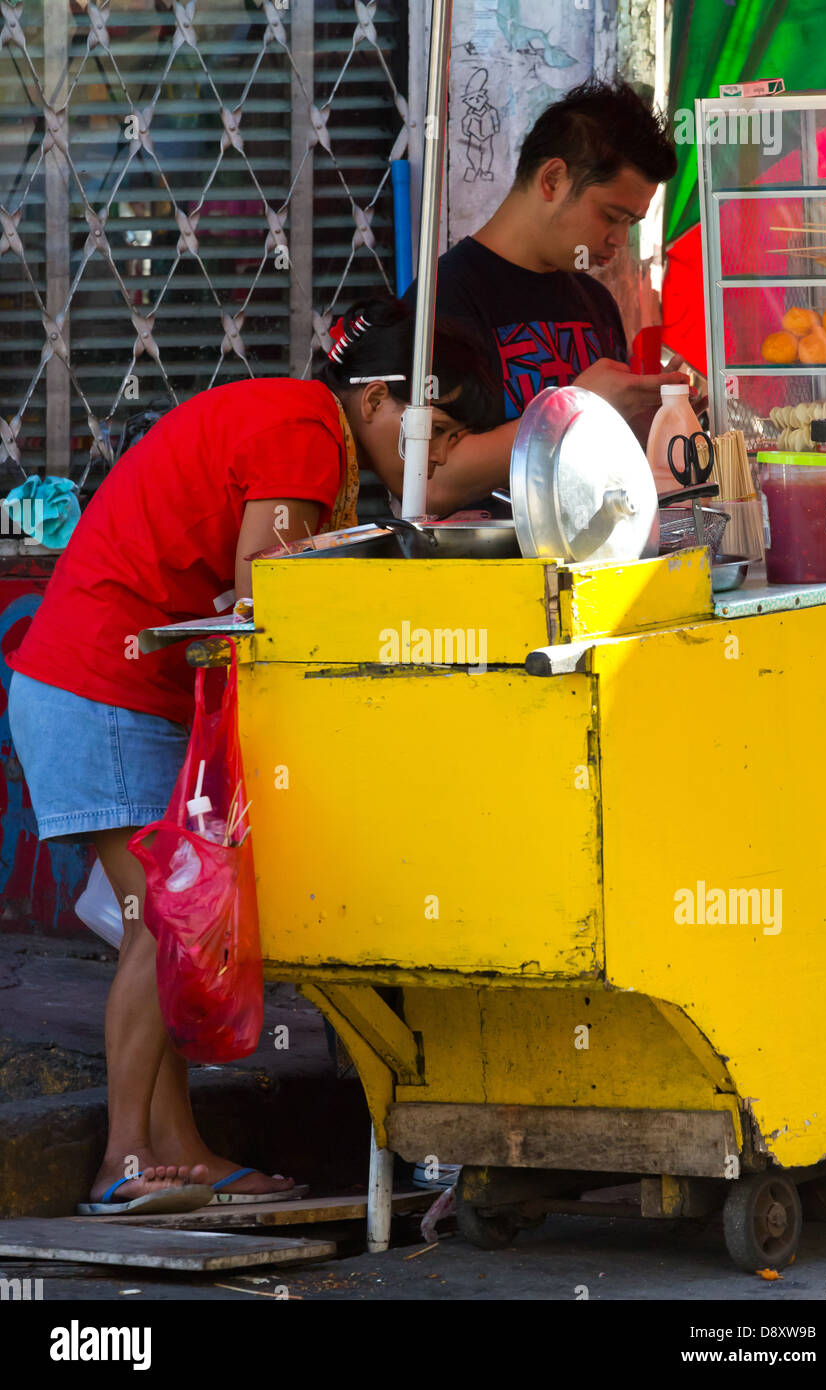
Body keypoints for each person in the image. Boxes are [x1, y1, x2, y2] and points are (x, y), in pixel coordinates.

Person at [6, 296, 500, 1215]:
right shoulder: (306, 427)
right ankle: (123, 1162)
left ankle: (177, 1150)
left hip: (99, 688)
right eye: (445, 431)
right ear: (379, 401)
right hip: (99, 692)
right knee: (166, 927)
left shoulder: (302, 424)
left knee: (166, 930)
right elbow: (264, 593)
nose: (440, 460)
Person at [405, 75, 695, 517]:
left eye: (631, 224)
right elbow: (429, 484)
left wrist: (651, 419)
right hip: (491, 574)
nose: (618, 241)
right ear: (553, 179)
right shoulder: (442, 299)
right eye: (611, 216)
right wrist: (575, 409)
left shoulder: (595, 301)